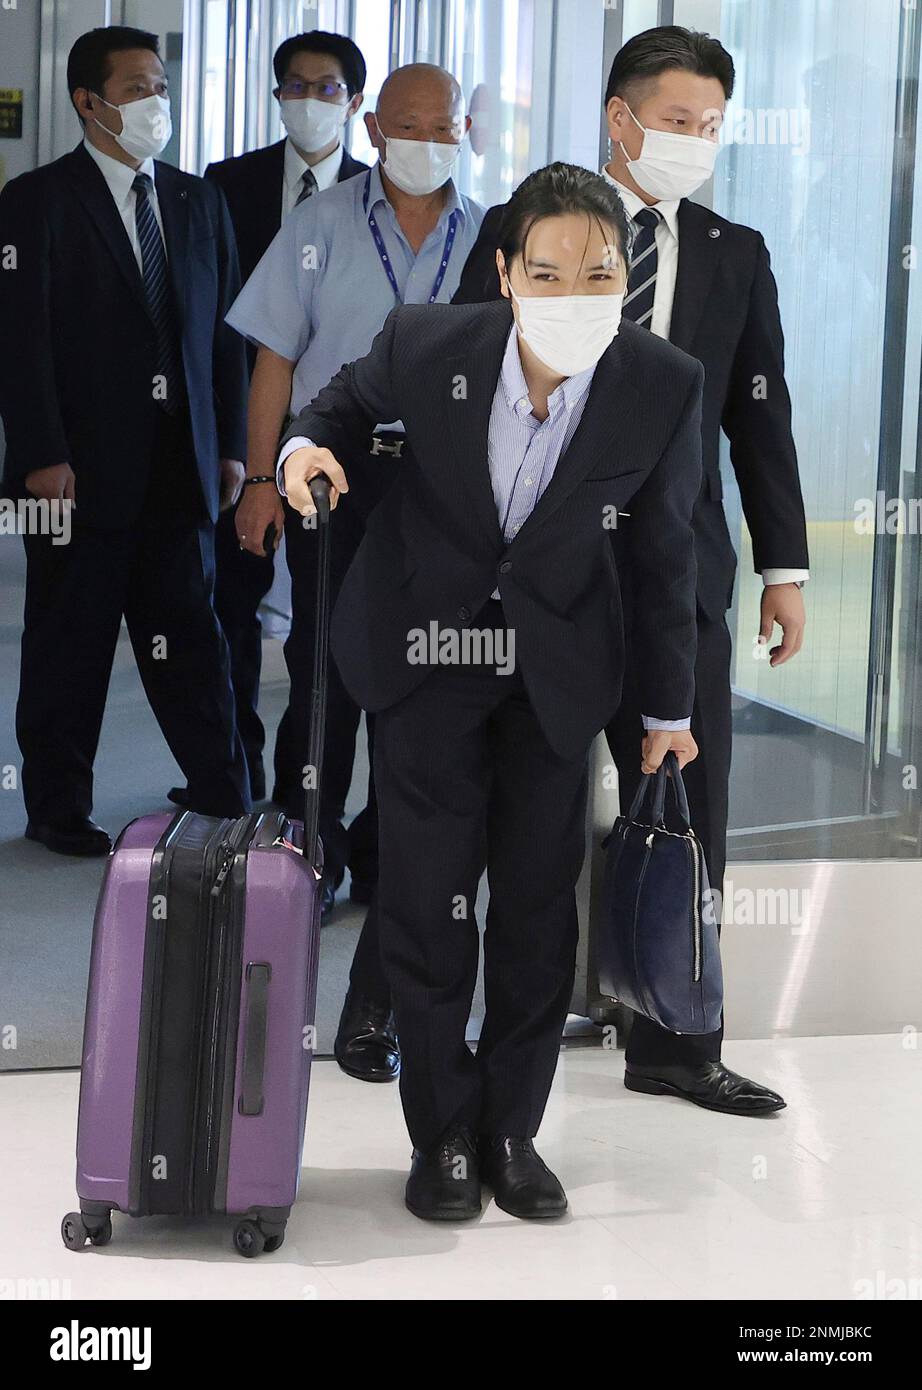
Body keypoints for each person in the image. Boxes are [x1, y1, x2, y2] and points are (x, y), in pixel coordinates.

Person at [279, 163, 705, 1221]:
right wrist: (297, 454)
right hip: (425, 654)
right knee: (426, 906)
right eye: (549, 272)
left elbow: (665, 558)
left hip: (555, 673)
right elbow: (333, 408)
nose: (574, 294)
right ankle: (441, 1137)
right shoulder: (428, 344)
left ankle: (511, 1128)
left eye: (598, 274)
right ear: (508, 273)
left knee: (532, 909)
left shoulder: (660, 382)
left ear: (623, 277)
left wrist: (666, 715)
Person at [451, 26, 807, 1117]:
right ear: (621, 118)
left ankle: (675, 1036)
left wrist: (783, 567)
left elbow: (761, 419)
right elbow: (465, 376)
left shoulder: (733, 251)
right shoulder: (532, 231)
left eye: (710, 125)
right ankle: (450, 1025)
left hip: (677, 574)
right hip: (542, 571)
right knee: (513, 806)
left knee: (686, 801)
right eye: (679, 120)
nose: (696, 141)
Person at [226, 63, 485, 1082]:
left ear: (463, 128)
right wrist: (258, 480)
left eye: (443, 124)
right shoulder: (322, 224)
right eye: (406, 124)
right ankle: (311, 851)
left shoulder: (491, 232)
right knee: (329, 680)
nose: (425, 138)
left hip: (446, 490)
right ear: (373, 126)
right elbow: (274, 365)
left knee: (429, 681)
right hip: (332, 475)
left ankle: (383, 853)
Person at [0, 25, 250, 856]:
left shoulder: (192, 198)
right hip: (70, 472)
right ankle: (58, 807)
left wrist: (231, 445)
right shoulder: (37, 201)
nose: (157, 103)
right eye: (139, 88)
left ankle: (222, 788)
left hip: (180, 464)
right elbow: (20, 339)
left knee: (190, 630)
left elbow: (221, 335)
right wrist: (40, 453)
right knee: (70, 639)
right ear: (88, 102)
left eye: (161, 86)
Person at [167, 31, 368, 807]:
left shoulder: (375, 192)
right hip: (243, 430)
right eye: (294, 86)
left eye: (326, 89)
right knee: (233, 604)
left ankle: (308, 792)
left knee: (326, 622)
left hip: (339, 440)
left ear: (354, 104)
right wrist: (229, 444)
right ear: (276, 94)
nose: (307, 101)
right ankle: (234, 768)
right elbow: (211, 319)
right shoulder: (229, 184)